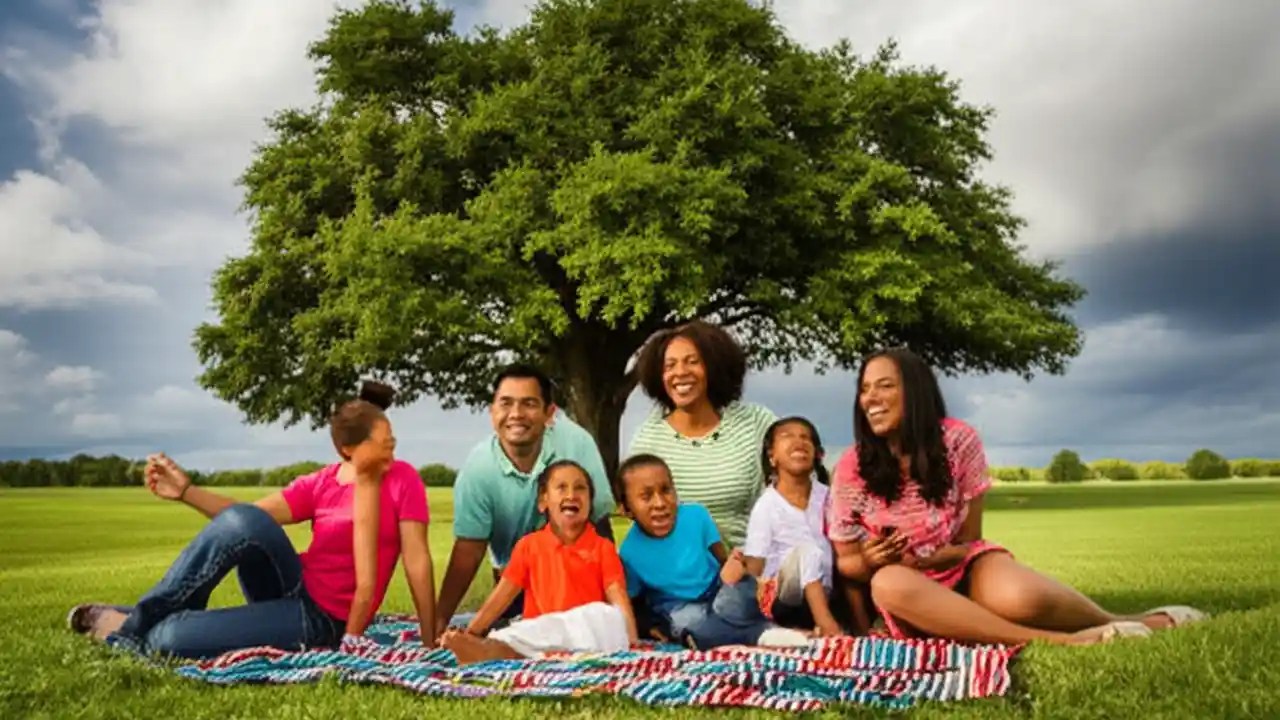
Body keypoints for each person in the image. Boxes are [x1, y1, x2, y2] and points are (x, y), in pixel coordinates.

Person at [828, 348, 1208, 646]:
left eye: (884, 386)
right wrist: (869, 559)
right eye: (864, 389)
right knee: (888, 583)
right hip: (909, 587)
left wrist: (945, 556)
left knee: (1021, 598)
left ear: (916, 390)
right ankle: (1062, 641)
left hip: (963, 568)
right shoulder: (851, 467)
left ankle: (1131, 621)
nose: (870, 398)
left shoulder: (958, 441)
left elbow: (969, 541)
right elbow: (847, 564)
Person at [66, 382, 437, 658]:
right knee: (245, 520)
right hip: (292, 585)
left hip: (324, 619)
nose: (392, 449)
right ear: (348, 448)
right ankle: (143, 623)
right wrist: (186, 491)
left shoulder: (403, 479)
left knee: (170, 640)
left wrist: (428, 633)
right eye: (383, 441)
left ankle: (124, 624)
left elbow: (417, 561)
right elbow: (244, 523)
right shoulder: (322, 482)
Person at [434, 364, 615, 637]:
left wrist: (611, 610)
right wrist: (440, 620)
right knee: (504, 632)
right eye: (506, 403)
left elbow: (600, 525)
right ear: (492, 412)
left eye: (529, 404)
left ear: (549, 413)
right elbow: (468, 550)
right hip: (514, 583)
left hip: (578, 583)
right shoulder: (478, 469)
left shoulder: (578, 445)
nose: (516, 415)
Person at [441, 460, 637, 664]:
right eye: (561, 488)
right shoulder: (529, 546)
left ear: (589, 502)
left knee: (603, 615)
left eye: (580, 488)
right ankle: (482, 650)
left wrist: (632, 641)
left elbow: (618, 596)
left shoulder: (602, 547)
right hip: (541, 635)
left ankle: (489, 649)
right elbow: (503, 595)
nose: (571, 495)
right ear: (543, 501)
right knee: (517, 636)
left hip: (587, 635)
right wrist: (473, 631)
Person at [614, 454, 808, 649]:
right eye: (646, 497)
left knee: (737, 594)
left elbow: (722, 559)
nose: (660, 503)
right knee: (691, 624)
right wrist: (649, 626)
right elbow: (636, 601)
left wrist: (734, 568)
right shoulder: (629, 552)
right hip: (680, 606)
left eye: (666, 490)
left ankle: (771, 614)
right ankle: (762, 631)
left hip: (719, 589)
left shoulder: (696, 515)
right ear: (626, 509)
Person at [628, 320, 775, 550]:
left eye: (692, 362)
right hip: (678, 571)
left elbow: (787, 498)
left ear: (713, 367)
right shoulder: (648, 439)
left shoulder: (755, 423)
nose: (680, 373)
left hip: (747, 565)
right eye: (670, 366)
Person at [742, 417, 842, 637]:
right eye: (787, 436)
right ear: (772, 456)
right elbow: (755, 564)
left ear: (817, 454)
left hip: (829, 591)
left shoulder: (828, 497)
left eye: (806, 437)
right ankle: (827, 626)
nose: (799, 441)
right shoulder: (767, 505)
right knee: (809, 551)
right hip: (785, 597)